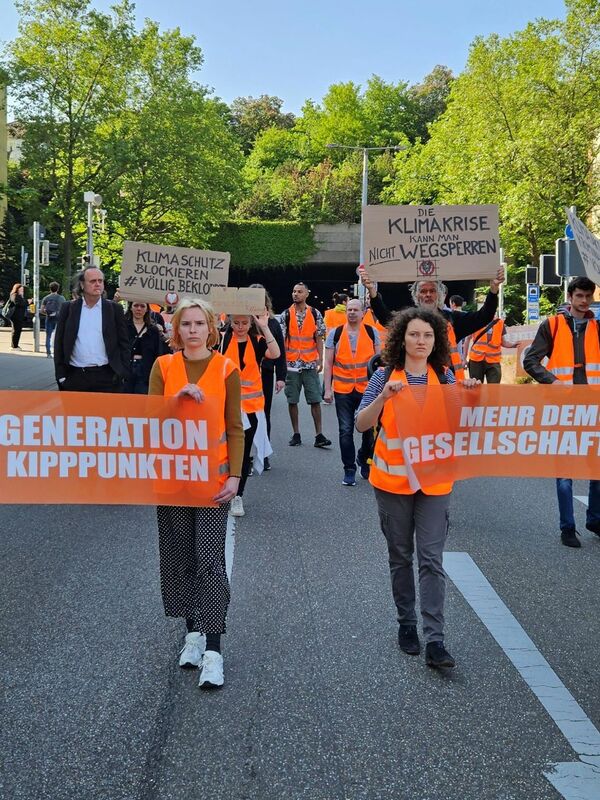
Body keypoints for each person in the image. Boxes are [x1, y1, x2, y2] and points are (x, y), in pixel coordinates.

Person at [356, 307, 480, 670]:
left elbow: (462, 424)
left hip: (434, 481)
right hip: (393, 482)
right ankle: (406, 623)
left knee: (431, 558)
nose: (421, 341)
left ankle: (435, 640)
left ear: (436, 340)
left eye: (427, 335)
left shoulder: (444, 377)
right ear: (401, 339)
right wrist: (383, 398)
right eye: (414, 334)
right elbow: (362, 423)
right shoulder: (383, 375)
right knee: (400, 556)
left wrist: (471, 396)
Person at [149, 298, 244, 689]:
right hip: (173, 481)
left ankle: (214, 650)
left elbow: (235, 426)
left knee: (210, 561)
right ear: (176, 330)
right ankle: (193, 633)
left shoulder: (226, 368)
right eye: (185, 324)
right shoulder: (163, 366)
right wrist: (175, 401)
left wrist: (235, 476)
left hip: (212, 485)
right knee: (181, 559)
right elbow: (149, 419)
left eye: (199, 323)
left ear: (210, 328)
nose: (192, 330)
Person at [524, 276, 600, 548]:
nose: (584, 301)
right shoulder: (552, 325)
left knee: (596, 466)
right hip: (563, 407)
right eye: (579, 295)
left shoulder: (597, 327)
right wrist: (552, 381)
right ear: (570, 297)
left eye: (588, 296)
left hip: (593, 406)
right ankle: (568, 527)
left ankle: (595, 520)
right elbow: (530, 361)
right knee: (565, 469)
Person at [360, 268, 505, 380]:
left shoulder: (453, 319)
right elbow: (386, 318)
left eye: (432, 291)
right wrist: (373, 292)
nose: (428, 294)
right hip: (414, 383)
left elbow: (483, 317)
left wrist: (493, 290)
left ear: (439, 295)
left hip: (447, 385)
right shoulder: (407, 319)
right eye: (423, 291)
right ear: (416, 295)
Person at [219, 311, 280, 517]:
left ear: (250, 323)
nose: (240, 327)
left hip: (251, 407)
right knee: (222, 449)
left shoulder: (257, 341)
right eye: (236, 322)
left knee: (243, 454)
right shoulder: (222, 339)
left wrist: (264, 326)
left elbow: (276, 354)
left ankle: (238, 495)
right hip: (225, 405)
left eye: (244, 323)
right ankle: (221, 487)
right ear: (230, 322)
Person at [323, 298, 381, 485]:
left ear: (363, 313)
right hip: (343, 390)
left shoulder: (372, 333)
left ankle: (364, 458)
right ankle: (349, 469)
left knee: (368, 430)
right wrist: (327, 389)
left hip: (368, 390)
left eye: (356, 310)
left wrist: (381, 388)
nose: (352, 313)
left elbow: (380, 362)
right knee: (345, 430)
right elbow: (328, 363)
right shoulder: (336, 333)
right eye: (349, 309)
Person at [54, 267, 130, 392]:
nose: (98, 284)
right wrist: (61, 376)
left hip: (107, 376)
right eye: (93, 281)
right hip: (75, 376)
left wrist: (122, 372)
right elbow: (59, 344)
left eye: (100, 281)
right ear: (82, 285)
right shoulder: (68, 308)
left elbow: (124, 343)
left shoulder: (114, 309)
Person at [280, 281, 331, 448]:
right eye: (294, 291)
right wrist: (281, 364)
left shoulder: (315, 313)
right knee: (292, 400)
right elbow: (281, 340)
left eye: (299, 291)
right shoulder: (286, 314)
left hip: (309, 364)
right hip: (291, 364)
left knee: (315, 399)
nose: (295, 294)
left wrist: (320, 359)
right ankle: (296, 434)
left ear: (307, 294)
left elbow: (319, 337)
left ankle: (319, 435)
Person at [248, 283, 286, 470]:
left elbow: (280, 352)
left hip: (266, 373)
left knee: (263, 414)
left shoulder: (272, 323)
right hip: (245, 375)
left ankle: (263, 453)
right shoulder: (242, 322)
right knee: (243, 416)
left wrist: (281, 376)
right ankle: (245, 454)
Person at [124, 301, 169, 394]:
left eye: (142, 306)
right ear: (131, 308)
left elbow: (158, 352)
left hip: (146, 371)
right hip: (126, 370)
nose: (139, 309)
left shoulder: (153, 330)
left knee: (142, 399)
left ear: (147, 309)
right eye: (136, 305)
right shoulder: (123, 327)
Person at [465, 315, 517, 383]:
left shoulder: (500, 323)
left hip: (493, 361)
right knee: (476, 387)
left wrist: (515, 345)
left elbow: (503, 342)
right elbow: (467, 339)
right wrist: (464, 358)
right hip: (476, 360)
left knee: (494, 387)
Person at [40, 282, 67, 358]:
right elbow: (65, 310)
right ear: (58, 289)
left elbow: (41, 310)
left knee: (48, 336)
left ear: (50, 289)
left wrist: (48, 314)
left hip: (49, 318)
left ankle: (48, 353)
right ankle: (58, 353)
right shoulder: (62, 298)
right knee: (59, 336)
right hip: (59, 318)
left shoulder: (46, 298)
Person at [7, 283, 28, 350]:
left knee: (17, 331)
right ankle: (14, 346)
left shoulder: (19, 296)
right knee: (16, 331)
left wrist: (25, 299)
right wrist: (28, 302)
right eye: (20, 289)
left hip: (19, 316)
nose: (22, 291)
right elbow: (19, 303)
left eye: (22, 290)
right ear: (17, 289)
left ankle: (15, 345)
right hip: (15, 316)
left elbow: (22, 303)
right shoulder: (14, 295)